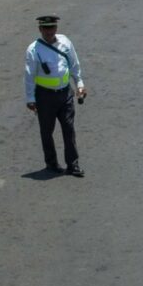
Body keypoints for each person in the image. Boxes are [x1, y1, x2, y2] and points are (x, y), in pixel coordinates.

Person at [25, 15, 87, 176]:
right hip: (44, 97)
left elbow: (74, 64)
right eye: (45, 28)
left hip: (65, 94)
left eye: (51, 28)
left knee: (69, 129)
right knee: (46, 131)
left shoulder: (65, 42)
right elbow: (29, 76)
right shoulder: (33, 50)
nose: (49, 31)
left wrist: (79, 84)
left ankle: (73, 165)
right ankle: (51, 163)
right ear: (40, 29)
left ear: (56, 28)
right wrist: (30, 98)